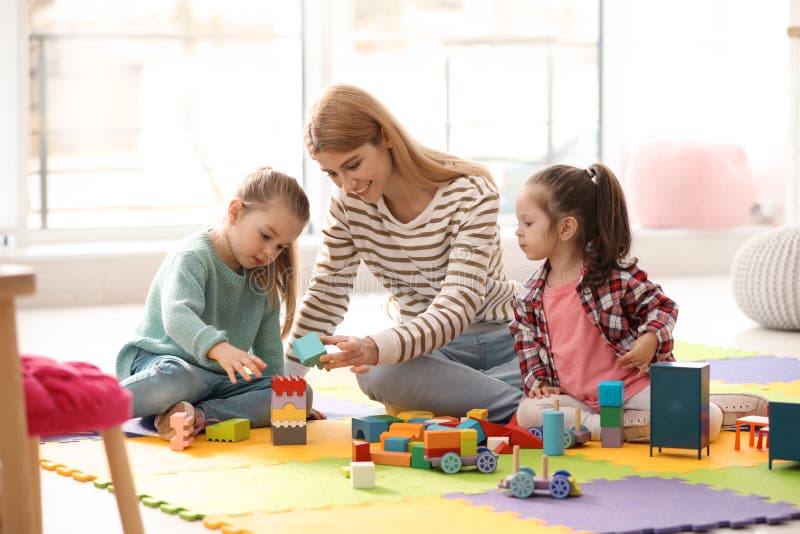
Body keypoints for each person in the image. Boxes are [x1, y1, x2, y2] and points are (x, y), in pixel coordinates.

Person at [285, 84, 524, 423]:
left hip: (502, 343)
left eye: (353, 165)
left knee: (567, 359)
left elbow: (457, 306)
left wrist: (375, 345)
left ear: (385, 137)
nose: (347, 184)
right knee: (373, 372)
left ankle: (486, 403)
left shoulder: (471, 194)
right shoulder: (349, 205)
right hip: (429, 356)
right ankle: (526, 407)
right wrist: (289, 377)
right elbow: (327, 291)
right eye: (333, 173)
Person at [511, 163, 769, 442]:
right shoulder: (529, 297)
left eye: (528, 223)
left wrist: (650, 338)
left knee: (707, 421)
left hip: (633, 386)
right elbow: (529, 348)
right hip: (579, 400)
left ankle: (689, 410)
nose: (518, 232)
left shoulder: (613, 277)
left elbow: (662, 307)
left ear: (566, 228)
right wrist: (540, 384)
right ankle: (608, 427)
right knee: (527, 412)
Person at [117, 167, 323, 440]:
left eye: (281, 247)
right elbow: (177, 315)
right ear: (235, 211)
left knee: (301, 395)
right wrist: (218, 348)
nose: (270, 253)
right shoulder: (193, 256)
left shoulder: (263, 281)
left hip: (220, 383)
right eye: (265, 236)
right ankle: (92, 405)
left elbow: (269, 350)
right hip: (170, 364)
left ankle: (194, 415)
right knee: (173, 379)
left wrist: (284, 400)